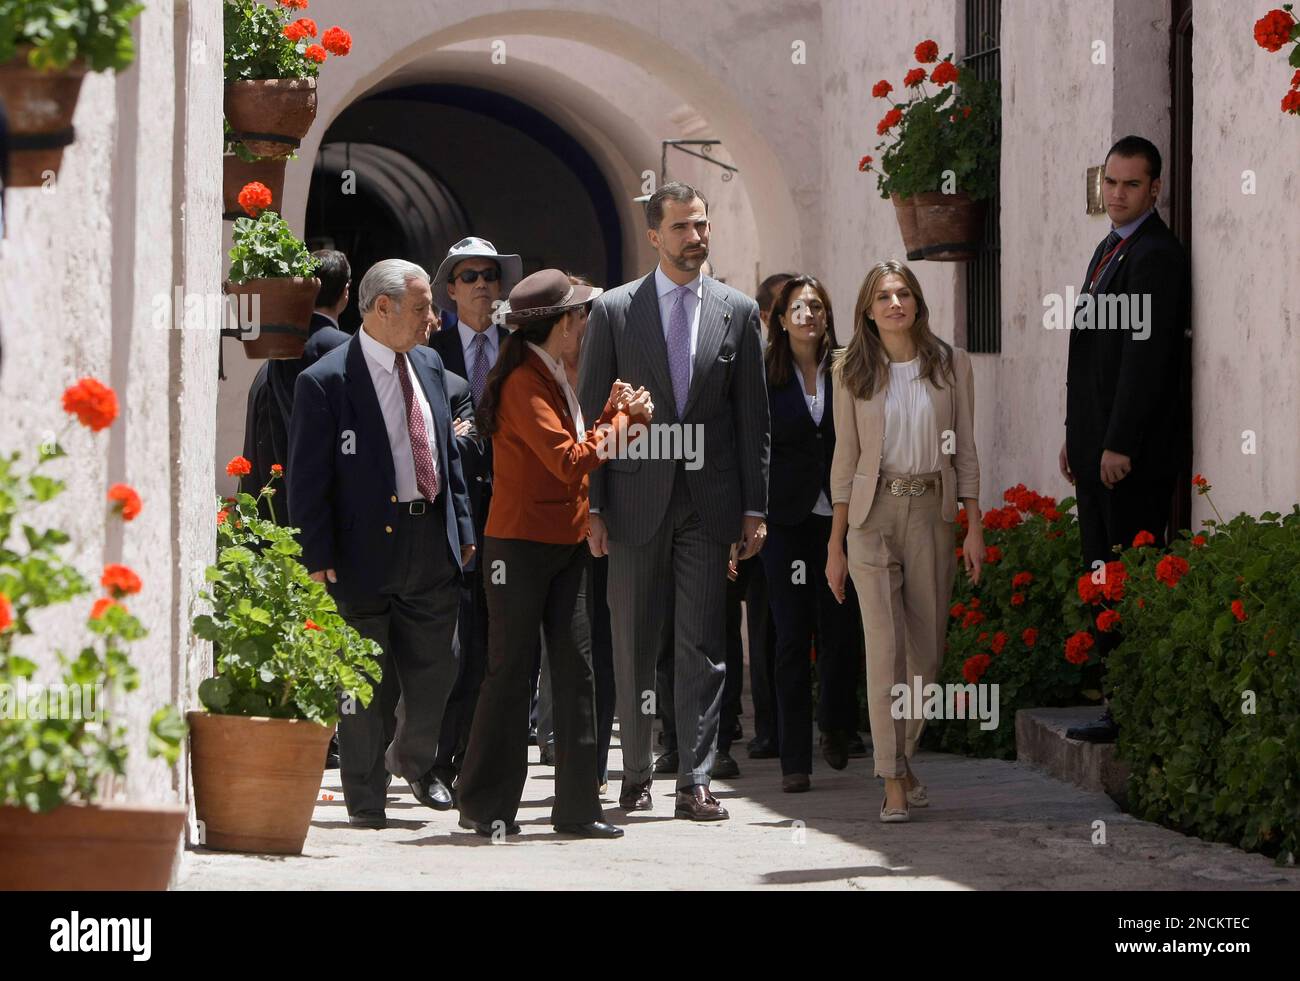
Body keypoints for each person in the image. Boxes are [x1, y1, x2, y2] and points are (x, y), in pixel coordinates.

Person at [578, 181, 770, 822]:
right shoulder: (612, 311)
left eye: (703, 225)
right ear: (655, 235)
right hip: (634, 498)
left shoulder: (738, 312)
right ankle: (634, 775)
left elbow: (752, 419)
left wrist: (754, 507)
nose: (696, 237)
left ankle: (695, 778)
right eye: (683, 227)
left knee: (703, 646)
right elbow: (593, 415)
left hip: (709, 503)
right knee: (632, 641)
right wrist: (595, 506)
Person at [455, 268, 651, 838]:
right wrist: (624, 419)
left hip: (559, 543)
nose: (587, 322)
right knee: (512, 672)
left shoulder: (547, 371)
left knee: (577, 671)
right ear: (562, 325)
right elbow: (568, 459)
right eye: (581, 313)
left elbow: (576, 450)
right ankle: (486, 805)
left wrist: (615, 414)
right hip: (518, 548)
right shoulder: (523, 382)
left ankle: (577, 808)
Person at [288, 259, 476, 829]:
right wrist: (315, 556)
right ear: (382, 308)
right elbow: (307, 478)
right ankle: (365, 798)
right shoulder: (324, 381)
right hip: (360, 550)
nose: (432, 318)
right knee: (361, 684)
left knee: (438, 670)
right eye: (421, 307)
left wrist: (463, 529)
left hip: (429, 542)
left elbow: (447, 458)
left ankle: (413, 761)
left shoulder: (429, 364)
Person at [826, 259, 982, 823]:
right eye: (883, 297)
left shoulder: (949, 364)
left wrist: (974, 523)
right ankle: (891, 777)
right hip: (872, 515)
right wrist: (835, 543)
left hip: (932, 514)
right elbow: (844, 461)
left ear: (916, 302)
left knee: (928, 654)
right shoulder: (850, 370)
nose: (895, 304)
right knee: (884, 650)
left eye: (903, 294)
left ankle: (902, 754)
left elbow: (964, 448)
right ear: (868, 311)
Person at [1061, 135, 1190, 744]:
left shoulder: (1155, 255)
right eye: (1110, 182)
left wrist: (1117, 444)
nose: (1117, 194)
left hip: (1129, 457)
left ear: (1155, 188)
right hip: (1096, 447)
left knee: (1124, 574)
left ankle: (1129, 709)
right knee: (1099, 571)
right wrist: (1076, 437)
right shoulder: (1109, 248)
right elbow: (1090, 357)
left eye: (1131, 185)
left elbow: (1146, 359)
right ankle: (1117, 697)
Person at [760, 275, 863, 792]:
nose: (807, 314)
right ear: (781, 320)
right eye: (796, 307)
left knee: (842, 632)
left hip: (841, 519)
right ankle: (794, 758)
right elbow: (753, 447)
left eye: (816, 306)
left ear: (827, 315)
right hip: (786, 521)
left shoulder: (850, 368)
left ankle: (837, 724)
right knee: (792, 637)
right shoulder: (765, 375)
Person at [424, 237, 520, 787]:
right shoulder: (431, 353)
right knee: (453, 645)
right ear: (452, 289)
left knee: (495, 646)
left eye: (490, 274)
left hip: (511, 512)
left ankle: (473, 762)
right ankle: (435, 759)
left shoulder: (520, 347)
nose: (482, 284)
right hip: (453, 515)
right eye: (469, 276)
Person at [240, 249, 352, 520]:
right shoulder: (346, 351)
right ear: (346, 291)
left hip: (270, 503)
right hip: (320, 508)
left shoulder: (276, 351)